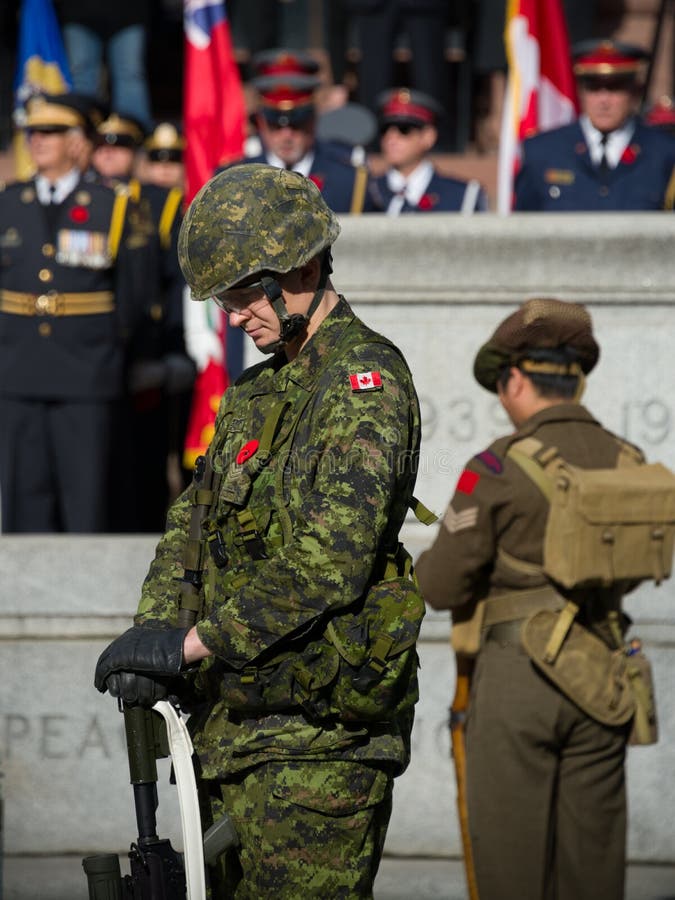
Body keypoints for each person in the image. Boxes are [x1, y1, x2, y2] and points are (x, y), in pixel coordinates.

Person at [93, 163, 424, 896]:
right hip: (234, 731)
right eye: (223, 300)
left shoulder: (364, 378)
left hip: (320, 739)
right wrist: (150, 637)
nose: (234, 317)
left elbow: (328, 562)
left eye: (244, 294)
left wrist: (189, 644)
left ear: (300, 267)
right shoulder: (257, 390)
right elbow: (193, 525)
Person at [415, 298, 650, 899]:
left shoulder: (491, 467)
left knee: (512, 871)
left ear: (517, 378)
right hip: (604, 676)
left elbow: (440, 585)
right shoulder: (628, 461)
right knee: (592, 869)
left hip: (518, 684)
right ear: (576, 379)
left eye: (501, 383)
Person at [0, 93, 154, 532]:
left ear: (77, 141)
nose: (37, 141)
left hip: (86, 372)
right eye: (32, 132)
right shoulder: (8, 203)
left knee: (86, 502)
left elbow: (133, 296)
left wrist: (112, 352)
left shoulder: (115, 206)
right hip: (17, 371)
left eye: (50, 131)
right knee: (22, 503)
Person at [93, 111, 195, 532]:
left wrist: (171, 349)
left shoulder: (159, 202)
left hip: (146, 348)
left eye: (121, 147)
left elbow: (172, 283)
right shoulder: (90, 198)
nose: (110, 155)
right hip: (94, 353)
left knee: (148, 460)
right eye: (104, 146)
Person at [514, 39, 675, 211]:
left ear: (635, 92)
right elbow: (523, 227)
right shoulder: (542, 151)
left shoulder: (664, 152)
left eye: (615, 88)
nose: (603, 101)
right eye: (593, 88)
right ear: (580, 91)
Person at [239, 48, 375, 213]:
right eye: (276, 125)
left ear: (312, 121)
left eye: (296, 124)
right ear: (261, 123)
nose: (286, 135)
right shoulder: (235, 181)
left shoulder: (351, 182)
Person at [369, 87, 488, 213]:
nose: (391, 138)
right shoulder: (366, 192)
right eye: (385, 129)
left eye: (404, 129)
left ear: (428, 137)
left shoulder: (462, 196)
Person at [56, 0, 153, 129]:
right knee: (82, 77)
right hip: (78, 11)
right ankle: (82, 138)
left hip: (130, 11)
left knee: (130, 77)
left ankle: (133, 139)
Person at [143, 121, 185, 190]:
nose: (165, 166)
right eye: (157, 158)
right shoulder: (133, 198)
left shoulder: (193, 198)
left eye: (174, 158)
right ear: (146, 164)